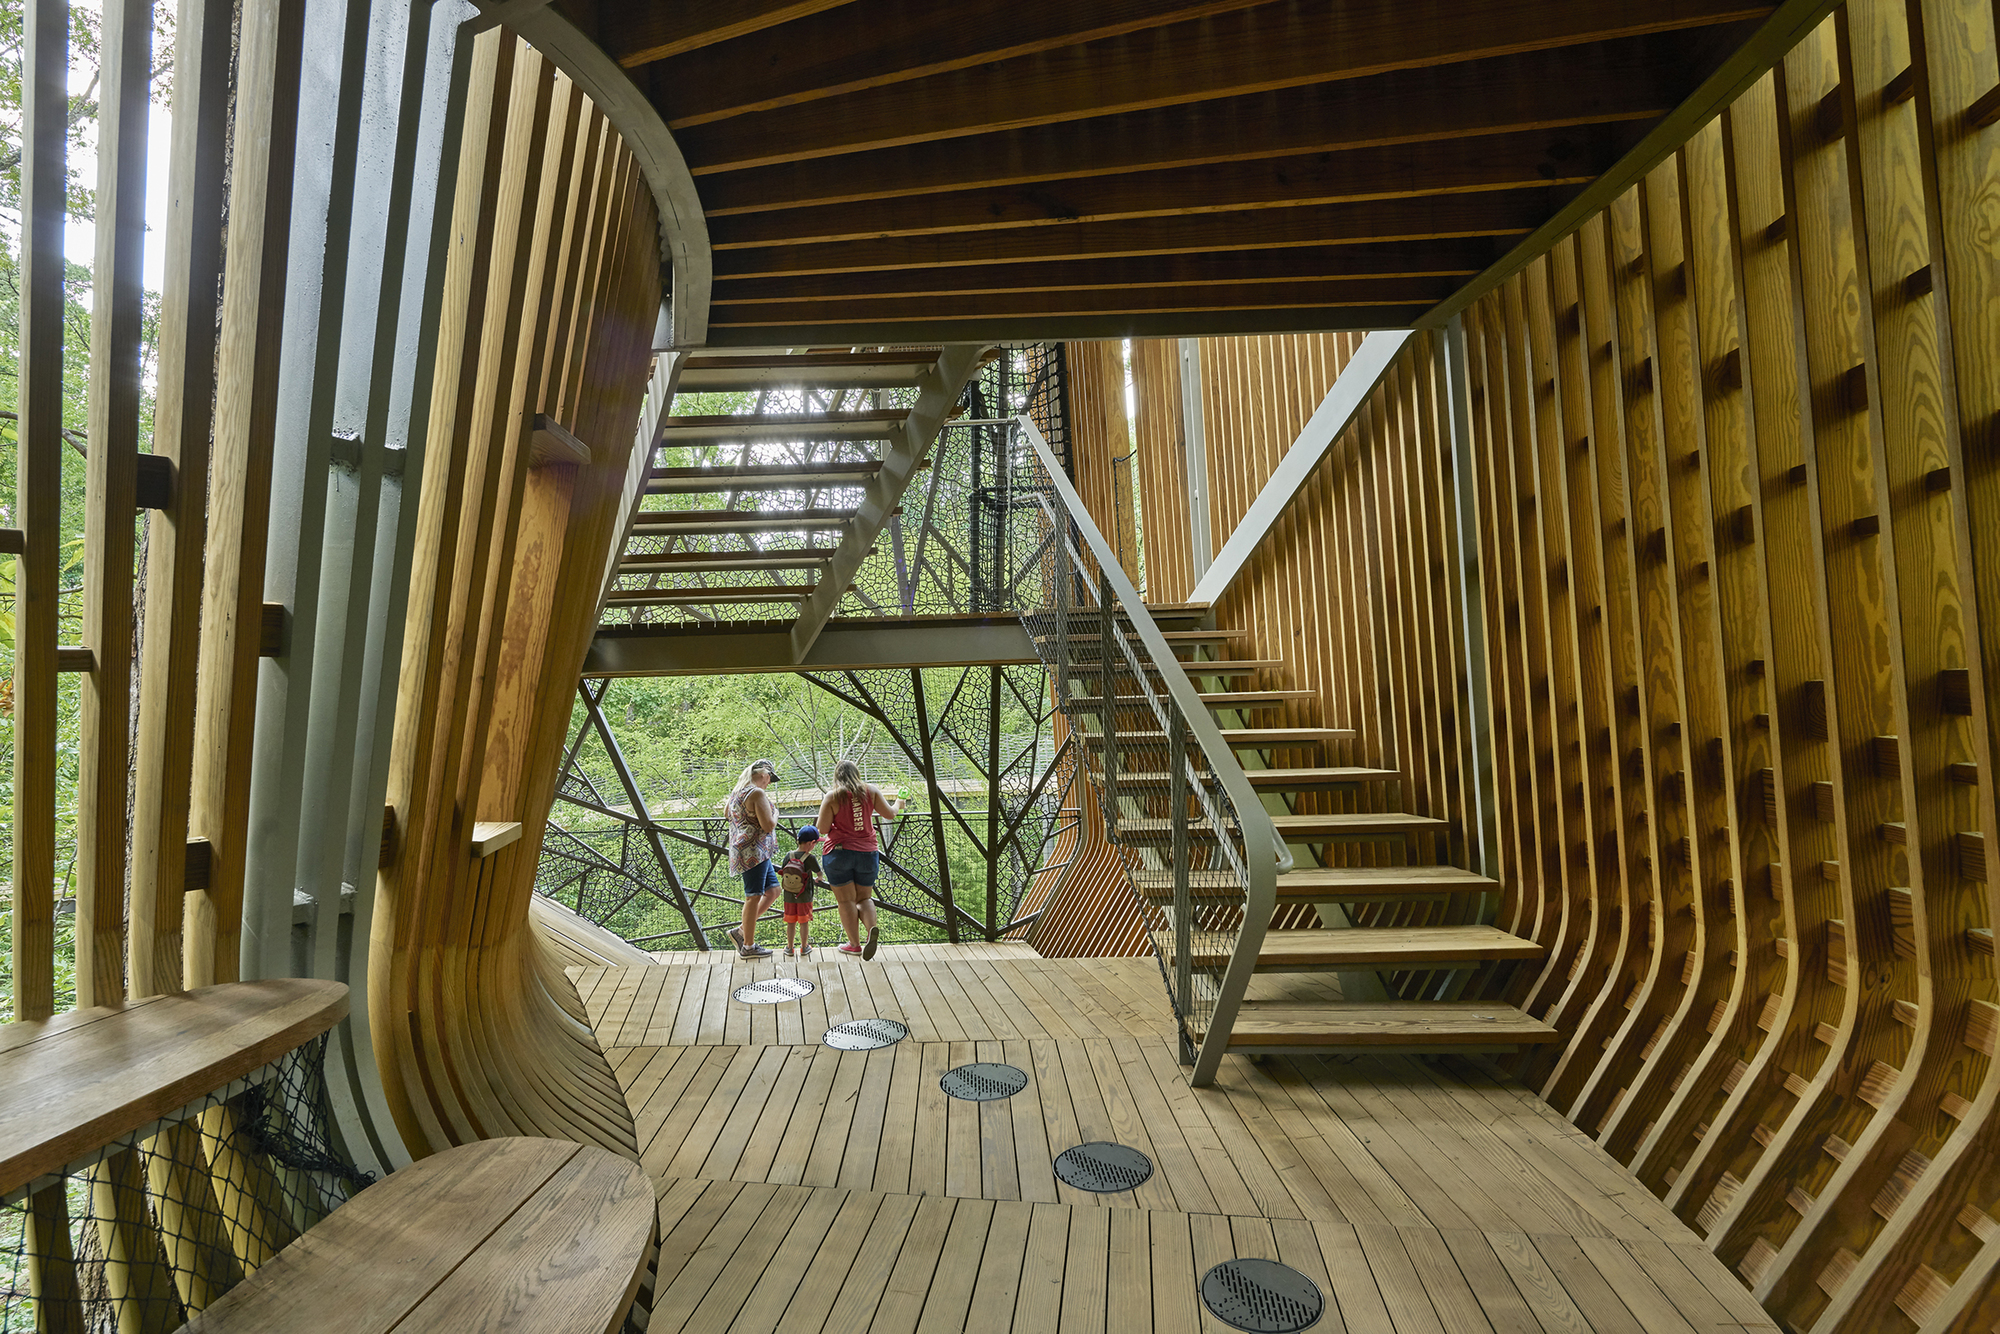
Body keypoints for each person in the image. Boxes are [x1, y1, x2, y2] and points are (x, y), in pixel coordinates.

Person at [816, 759, 901, 960]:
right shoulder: (870, 791)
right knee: (864, 898)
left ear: (837, 776)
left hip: (839, 853)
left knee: (846, 901)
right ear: (857, 774)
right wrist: (899, 803)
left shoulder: (832, 796)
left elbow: (822, 829)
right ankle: (871, 929)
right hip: (867, 853)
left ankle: (854, 945)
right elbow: (890, 814)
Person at [726, 759, 781, 959]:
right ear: (763, 774)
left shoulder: (737, 792)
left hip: (754, 851)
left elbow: (726, 814)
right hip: (753, 853)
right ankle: (748, 947)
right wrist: (775, 813)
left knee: (774, 891)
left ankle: (741, 931)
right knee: (753, 896)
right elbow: (768, 825)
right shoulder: (756, 793)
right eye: (769, 778)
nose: (769, 783)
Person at [779, 825, 823, 958]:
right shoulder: (810, 858)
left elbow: (782, 871)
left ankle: (789, 948)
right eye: (815, 843)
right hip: (804, 896)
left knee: (790, 922)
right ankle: (804, 947)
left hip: (789, 896)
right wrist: (819, 878)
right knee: (804, 922)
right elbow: (819, 873)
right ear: (811, 843)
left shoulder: (789, 855)